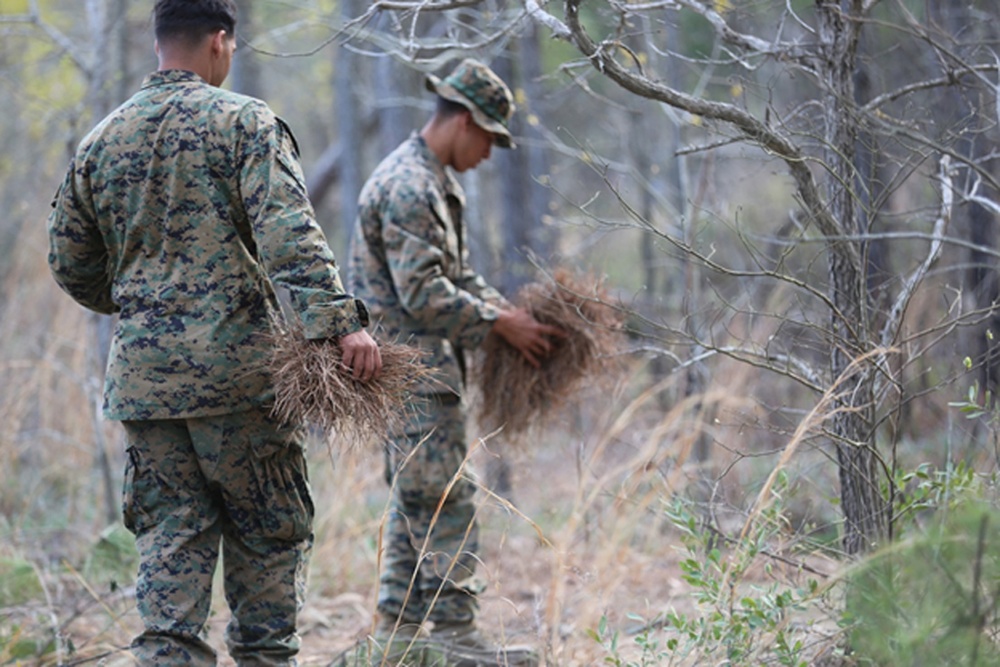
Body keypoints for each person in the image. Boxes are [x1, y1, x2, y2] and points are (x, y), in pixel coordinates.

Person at [47, 1, 381, 664]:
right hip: (241, 385)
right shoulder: (244, 122)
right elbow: (290, 237)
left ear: (159, 42)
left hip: (148, 392)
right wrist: (340, 326)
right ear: (220, 42)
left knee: (169, 590)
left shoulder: (102, 141)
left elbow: (69, 263)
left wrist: (142, 308)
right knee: (265, 566)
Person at [349, 58, 562, 666]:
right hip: (412, 379)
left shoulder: (435, 181)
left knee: (418, 501)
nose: (490, 154)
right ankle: (456, 641)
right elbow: (422, 293)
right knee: (447, 500)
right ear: (464, 122)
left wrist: (506, 315)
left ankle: (395, 641)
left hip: (426, 377)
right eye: (489, 139)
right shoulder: (412, 186)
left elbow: (455, 275)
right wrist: (500, 323)